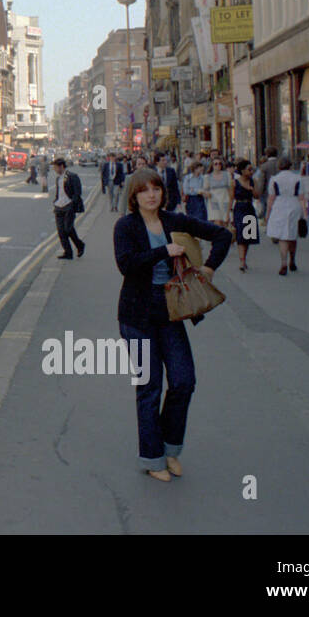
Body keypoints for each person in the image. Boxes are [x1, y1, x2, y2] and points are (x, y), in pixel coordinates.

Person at [114, 168, 231, 482]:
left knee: (183, 380)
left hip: (170, 310)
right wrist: (163, 251)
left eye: (157, 189)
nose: (152, 195)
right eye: (144, 190)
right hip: (136, 314)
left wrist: (208, 267)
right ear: (134, 196)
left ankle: (169, 450)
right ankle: (153, 459)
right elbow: (126, 263)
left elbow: (223, 235)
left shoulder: (175, 221)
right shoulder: (125, 226)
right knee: (150, 387)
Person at [265, 156, 306, 276]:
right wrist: (304, 212)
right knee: (292, 234)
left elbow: (271, 198)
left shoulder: (274, 179)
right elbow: (302, 197)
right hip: (294, 204)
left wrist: (268, 213)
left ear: (279, 166)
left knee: (282, 236)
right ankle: (292, 260)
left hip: (279, 205)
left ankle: (283, 262)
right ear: (290, 166)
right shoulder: (298, 178)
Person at [49, 157, 85, 260]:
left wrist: (72, 204)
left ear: (61, 166)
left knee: (68, 229)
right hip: (59, 207)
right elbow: (59, 193)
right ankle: (68, 252)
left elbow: (77, 192)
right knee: (61, 232)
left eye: (55, 167)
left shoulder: (72, 177)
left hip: (68, 206)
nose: (54, 169)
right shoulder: (58, 178)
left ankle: (80, 245)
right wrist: (55, 202)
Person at [230, 159, 260, 271]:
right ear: (242, 171)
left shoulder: (253, 181)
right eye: (249, 169)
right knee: (241, 235)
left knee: (248, 236)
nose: (251, 171)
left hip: (249, 208)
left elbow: (257, 196)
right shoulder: (235, 182)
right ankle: (242, 261)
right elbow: (231, 198)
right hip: (239, 208)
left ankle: (244, 259)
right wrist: (229, 213)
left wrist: (251, 190)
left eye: (252, 169)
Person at [207, 157, 232, 229]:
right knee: (217, 224)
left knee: (225, 223)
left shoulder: (227, 175)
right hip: (213, 201)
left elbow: (230, 190)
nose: (218, 165)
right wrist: (205, 193)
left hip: (225, 200)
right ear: (212, 165)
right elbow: (205, 189)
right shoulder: (208, 176)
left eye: (220, 163)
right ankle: (218, 239)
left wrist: (231, 204)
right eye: (216, 164)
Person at [257, 148, 279, 220]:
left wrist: (259, 194)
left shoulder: (264, 166)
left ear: (267, 155)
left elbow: (261, 182)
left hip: (267, 194)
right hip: (281, 194)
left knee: (269, 214)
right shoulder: (281, 164)